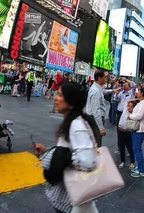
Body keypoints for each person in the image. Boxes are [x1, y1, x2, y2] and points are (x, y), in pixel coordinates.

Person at [33, 82, 101, 213]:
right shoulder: (74, 121)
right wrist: (49, 151)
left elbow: (87, 161)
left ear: (71, 103)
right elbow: (72, 149)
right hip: (69, 199)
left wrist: (62, 158)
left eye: (59, 95)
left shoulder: (76, 125)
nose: (55, 98)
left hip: (71, 202)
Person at [85, 70, 117, 137]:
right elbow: (96, 111)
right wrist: (101, 128)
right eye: (105, 77)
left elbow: (103, 91)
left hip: (94, 119)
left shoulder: (97, 88)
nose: (106, 79)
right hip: (95, 120)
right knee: (96, 141)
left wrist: (112, 90)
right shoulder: (96, 91)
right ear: (99, 78)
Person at [129, 87, 144, 178]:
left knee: (137, 149)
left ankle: (141, 170)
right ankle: (140, 167)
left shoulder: (143, 103)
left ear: (142, 94)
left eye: (139, 91)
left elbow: (139, 116)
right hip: (137, 128)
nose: (137, 93)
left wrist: (130, 116)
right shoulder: (141, 102)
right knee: (136, 148)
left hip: (140, 129)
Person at [117, 99, 136, 171]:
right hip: (120, 131)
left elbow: (131, 127)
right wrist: (136, 99)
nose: (129, 108)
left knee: (130, 147)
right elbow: (128, 101)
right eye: (129, 106)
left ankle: (132, 162)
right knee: (121, 147)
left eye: (131, 107)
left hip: (127, 133)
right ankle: (122, 161)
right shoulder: (125, 110)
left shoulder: (133, 115)